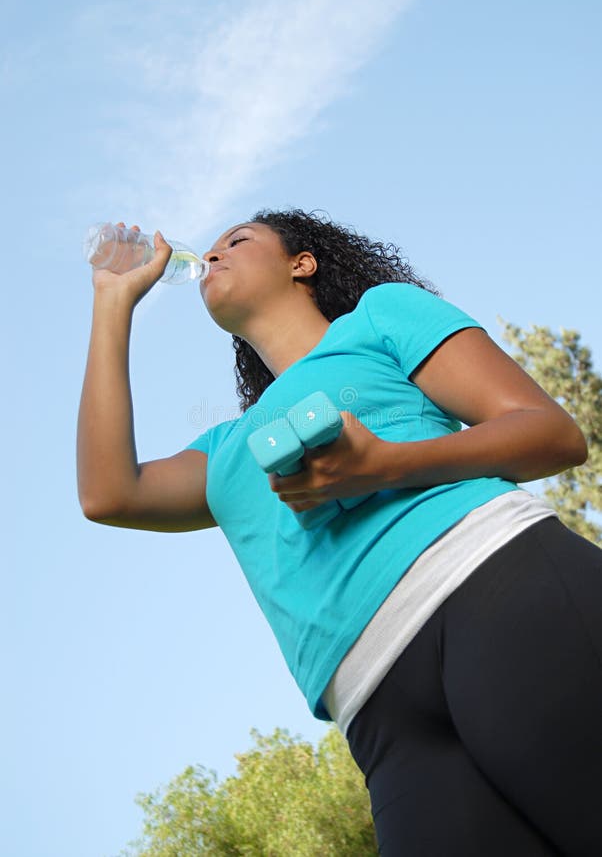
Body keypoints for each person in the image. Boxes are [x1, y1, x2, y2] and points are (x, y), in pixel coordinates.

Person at [78, 208, 602, 856]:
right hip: (379, 714)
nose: (212, 256)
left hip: (492, 588)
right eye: (207, 252)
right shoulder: (225, 449)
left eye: (236, 242)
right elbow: (107, 493)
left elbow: (550, 435)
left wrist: (386, 465)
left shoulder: (380, 318)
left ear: (302, 264)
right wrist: (113, 301)